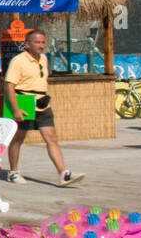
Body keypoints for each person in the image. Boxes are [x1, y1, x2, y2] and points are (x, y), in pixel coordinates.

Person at [5, 29, 84, 186]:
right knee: (18, 138)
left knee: (51, 137)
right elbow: (9, 85)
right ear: (28, 44)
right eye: (37, 42)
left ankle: (63, 173)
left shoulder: (43, 59)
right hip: (24, 100)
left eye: (43, 42)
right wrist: (15, 108)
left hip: (42, 101)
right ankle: (13, 171)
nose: (41, 46)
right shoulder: (18, 61)